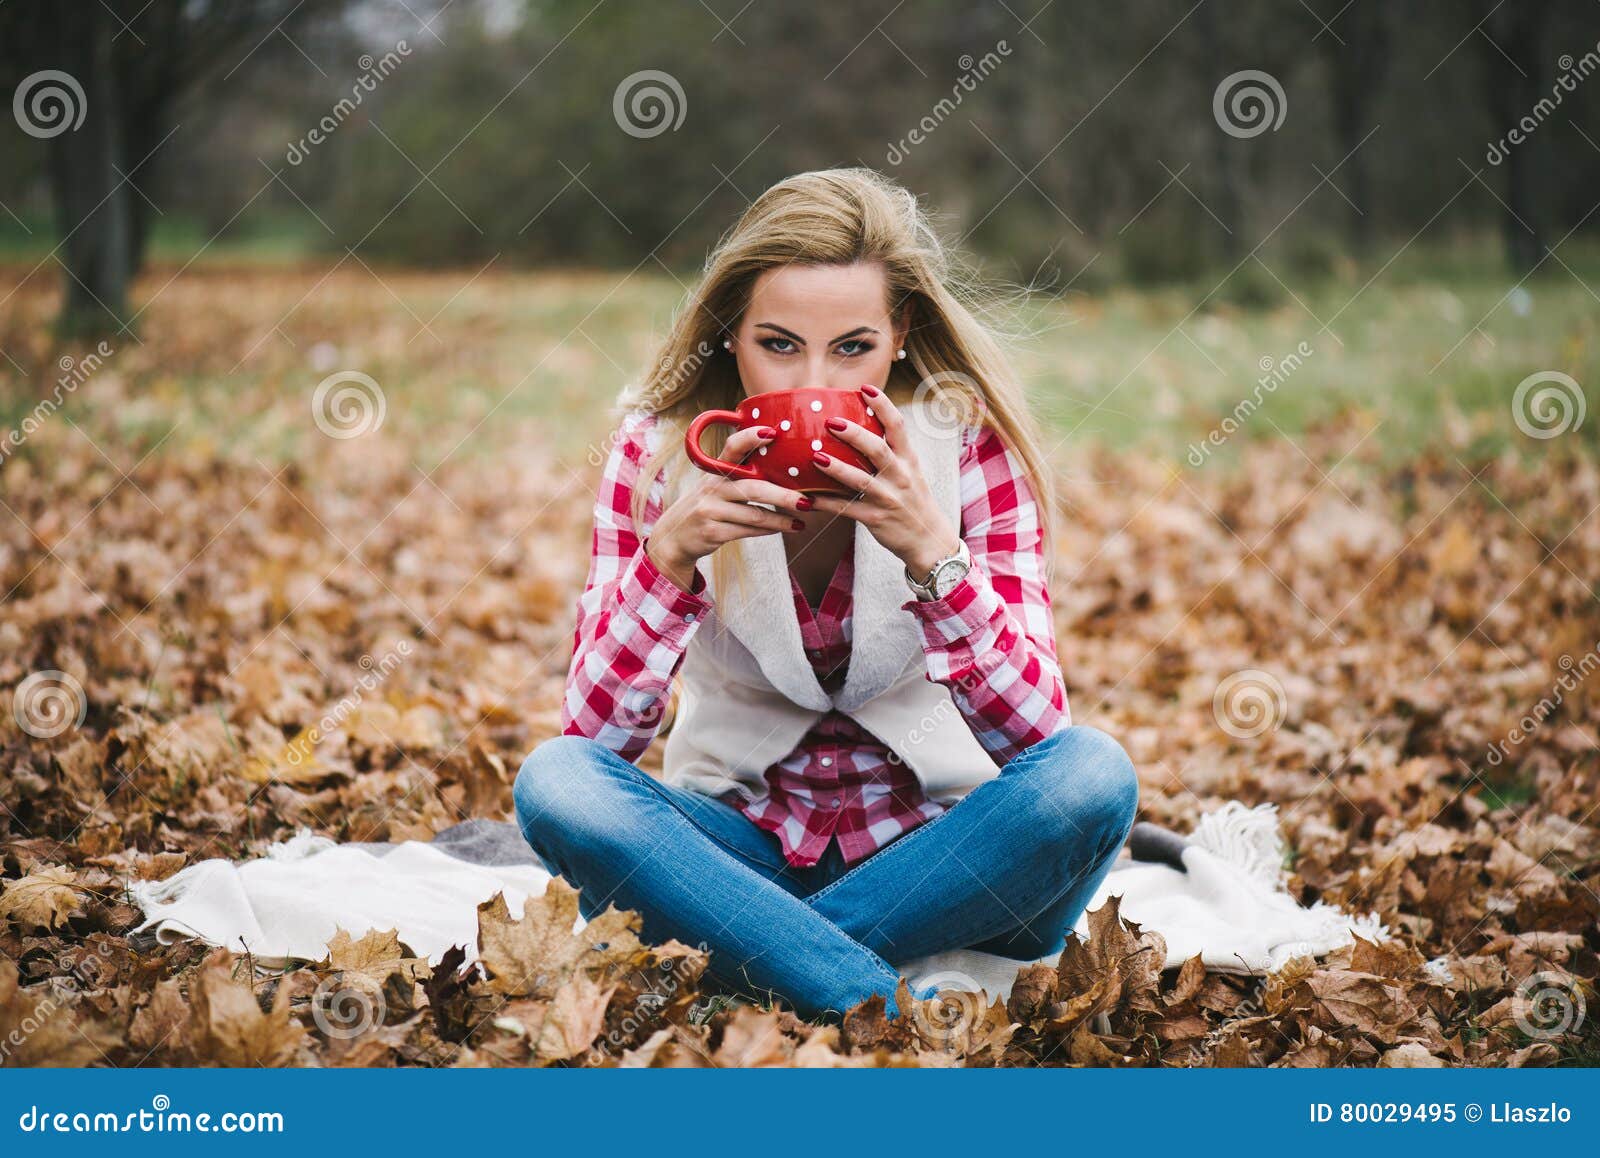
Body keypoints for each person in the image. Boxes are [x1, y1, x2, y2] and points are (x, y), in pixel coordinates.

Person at [514, 167, 1137, 1021]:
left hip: (944, 855)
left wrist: (933, 554)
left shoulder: (966, 449)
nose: (814, 380)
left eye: (853, 347)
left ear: (901, 335)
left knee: (1093, 775)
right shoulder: (659, 456)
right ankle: (867, 997)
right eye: (778, 344)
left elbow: (1037, 734)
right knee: (556, 782)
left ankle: (761, 953)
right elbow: (594, 742)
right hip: (737, 848)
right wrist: (668, 561)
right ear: (731, 335)